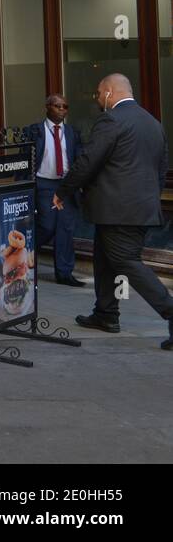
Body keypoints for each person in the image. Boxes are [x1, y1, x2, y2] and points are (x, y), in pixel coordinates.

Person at [55, 74, 171, 350]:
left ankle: (170, 310)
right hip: (139, 208)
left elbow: (88, 161)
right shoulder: (152, 122)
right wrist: (149, 198)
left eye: (98, 93)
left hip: (118, 210)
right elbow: (161, 168)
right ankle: (106, 314)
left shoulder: (111, 120)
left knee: (126, 261)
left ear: (109, 92)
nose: (97, 98)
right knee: (104, 258)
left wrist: (63, 191)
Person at [25, 94, 85, 286]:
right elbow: (25, 158)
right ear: (47, 107)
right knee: (47, 225)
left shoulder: (72, 132)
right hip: (44, 184)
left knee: (66, 229)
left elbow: (80, 158)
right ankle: (24, 254)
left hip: (67, 185)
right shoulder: (35, 131)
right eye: (58, 106)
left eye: (65, 107)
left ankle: (65, 274)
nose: (62, 110)